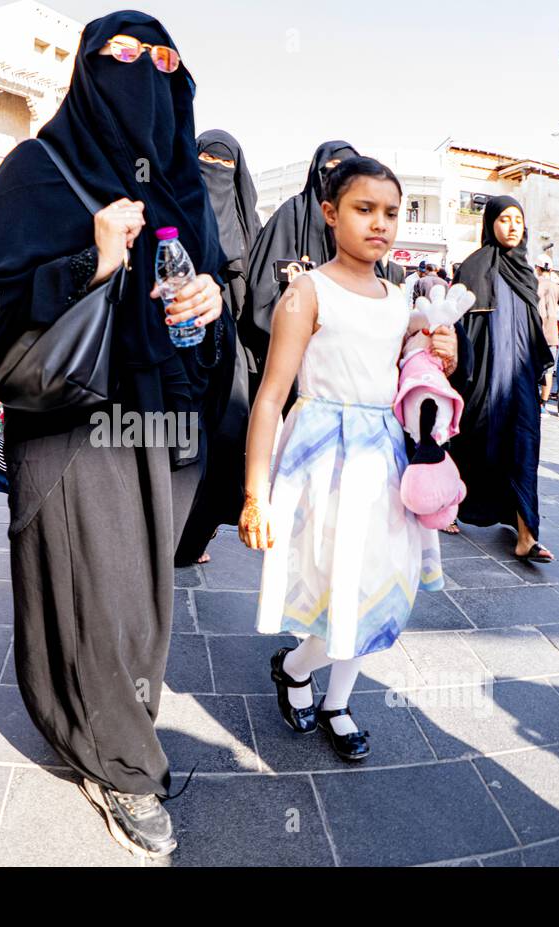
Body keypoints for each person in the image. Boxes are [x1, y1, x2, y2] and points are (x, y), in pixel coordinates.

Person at [0, 11, 230, 860]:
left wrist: (210, 304)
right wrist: (91, 262)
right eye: (125, 55)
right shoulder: (39, 168)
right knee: (98, 592)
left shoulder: (184, 182)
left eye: (165, 58)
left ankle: (100, 720)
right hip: (75, 419)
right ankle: (123, 765)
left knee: (138, 604)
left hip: (165, 415)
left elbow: (212, 309)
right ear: (88, 67)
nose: (146, 72)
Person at [239, 156, 460, 763]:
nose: (380, 223)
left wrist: (443, 347)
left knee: (371, 585)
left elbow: (423, 373)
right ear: (331, 214)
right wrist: (256, 493)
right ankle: (296, 667)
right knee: (331, 582)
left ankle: (333, 699)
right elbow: (270, 397)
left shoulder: (401, 300)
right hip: (318, 459)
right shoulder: (306, 293)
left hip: (381, 462)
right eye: (364, 210)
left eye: (391, 212)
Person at [446, 196, 554, 562]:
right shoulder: (473, 267)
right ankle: (450, 506)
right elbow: (458, 325)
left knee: (524, 443)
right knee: (471, 441)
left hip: (520, 378)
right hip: (482, 377)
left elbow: (532, 326)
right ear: (490, 222)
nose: (512, 225)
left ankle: (527, 534)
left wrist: (540, 371)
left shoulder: (526, 271)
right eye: (504, 218)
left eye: (518, 219)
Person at [174, 128, 262, 566]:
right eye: (207, 160)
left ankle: (195, 539)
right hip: (180, 348)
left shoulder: (253, 230)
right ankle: (168, 533)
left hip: (233, 356)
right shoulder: (177, 214)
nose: (217, 171)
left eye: (227, 165)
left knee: (225, 444)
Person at [244, 140, 360, 344]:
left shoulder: (362, 222)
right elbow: (262, 288)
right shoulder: (292, 214)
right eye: (331, 167)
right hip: (297, 345)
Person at [535, 259, 559, 407]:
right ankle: (542, 404)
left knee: (528, 368)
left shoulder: (532, 284)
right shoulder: (558, 288)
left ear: (538, 268)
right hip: (551, 334)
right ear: (551, 270)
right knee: (548, 370)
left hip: (533, 333)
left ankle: (528, 400)